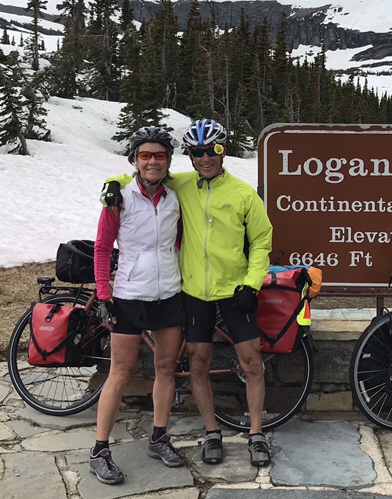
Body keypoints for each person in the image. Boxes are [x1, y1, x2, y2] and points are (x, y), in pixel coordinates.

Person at [101, 118, 274, 467]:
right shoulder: (182, 184)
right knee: (197, 363)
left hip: (235, 290)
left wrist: (251, 283)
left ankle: (256, 434)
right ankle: (212, 432)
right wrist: (111, 183)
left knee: (252, 363)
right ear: (191, 157)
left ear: (224, 152)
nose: (206, 158)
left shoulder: (243, 194)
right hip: (194, 291)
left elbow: (261, 243)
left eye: (214, 150)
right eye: (198, 152)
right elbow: (140, 175)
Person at [89, 127, 186, 485]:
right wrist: (103, 294)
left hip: (170, 294)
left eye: (159, 155)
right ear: (134, 160)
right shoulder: (119, 199)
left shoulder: (176, 197)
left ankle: (159, 436)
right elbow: (102, 248)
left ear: (168, 161)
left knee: (166, 368)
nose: (152, 161)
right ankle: (100, 449)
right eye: (145, 155)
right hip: (129, 296)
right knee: (121, 371)